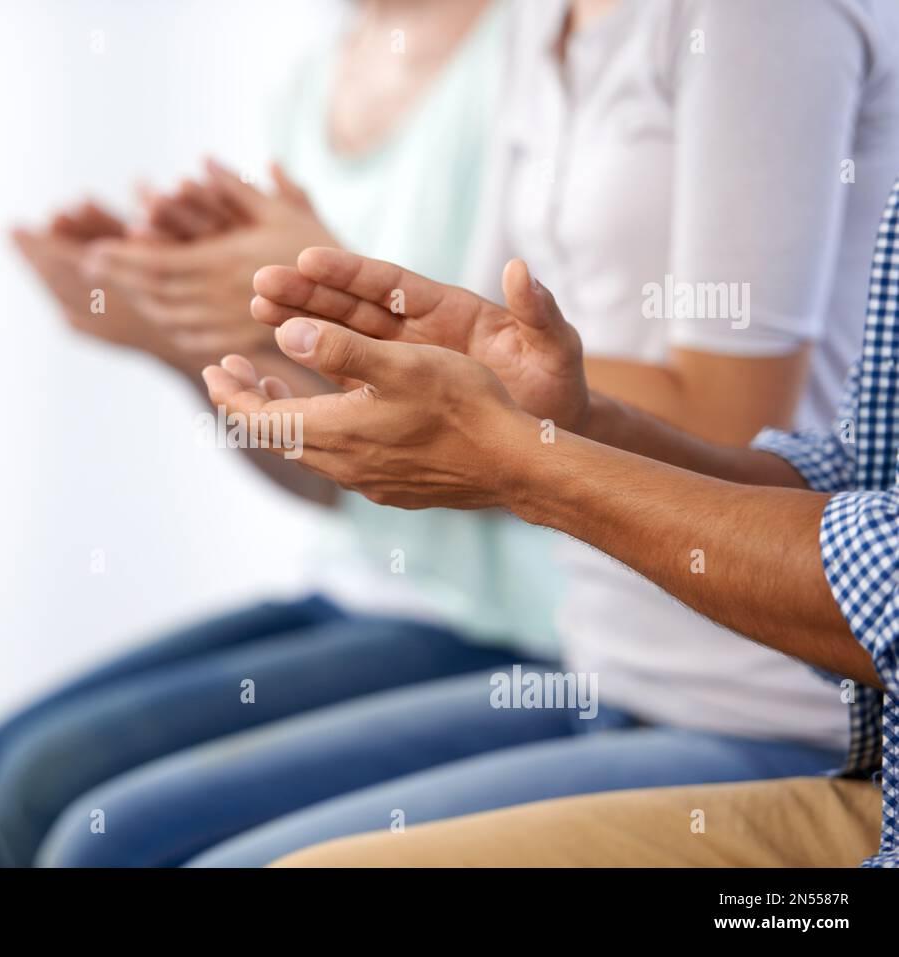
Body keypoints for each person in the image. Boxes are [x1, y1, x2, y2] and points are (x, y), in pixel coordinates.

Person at [30, 0, 899, 868]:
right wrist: (227, 332)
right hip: (614, 665)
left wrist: (520, 448)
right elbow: (500, 353)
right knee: (68, 822)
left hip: (760, 702)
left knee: (101, 833)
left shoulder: (760, 20)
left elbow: (741, 425)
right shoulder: (538, 23)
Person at [0, 0, 561, 868]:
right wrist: (187, 341)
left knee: (50, 803)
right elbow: (333, 478)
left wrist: (344, 310)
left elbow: (539, 423)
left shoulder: (529, 52)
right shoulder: (314, 84)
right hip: (360, 589)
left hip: (520, 627)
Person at [211, 176, 899, 868]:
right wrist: (570, 426)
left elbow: (880, 589)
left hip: (749, 724)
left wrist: (523, 466)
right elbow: (852, 488)